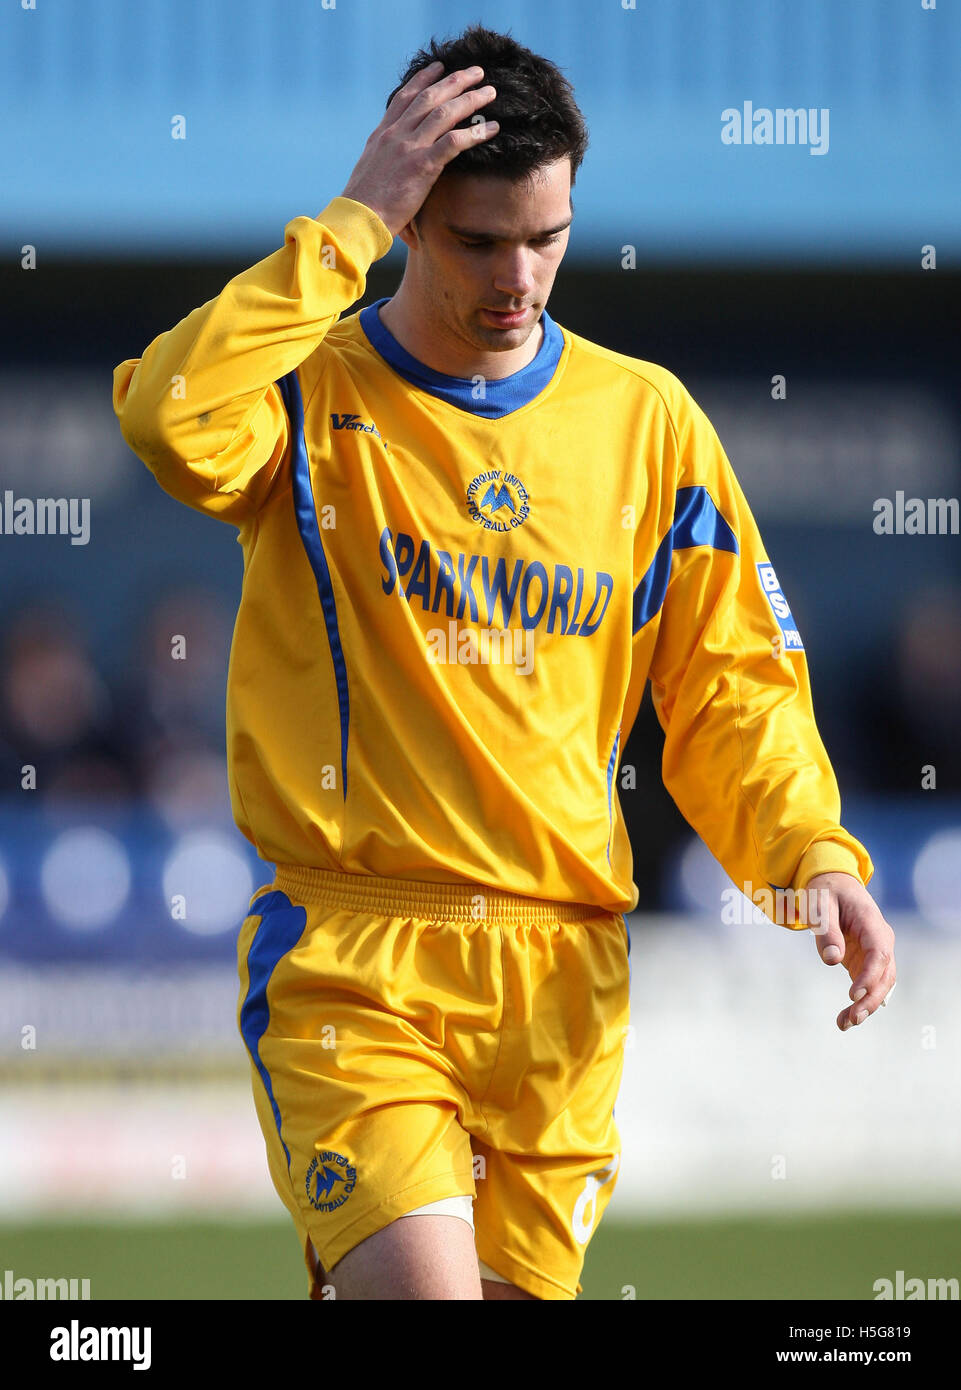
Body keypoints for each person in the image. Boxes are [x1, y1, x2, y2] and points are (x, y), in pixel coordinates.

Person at [112, 24, 896, 1302]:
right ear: (413, 222)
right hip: (354, 955)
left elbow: (729, 683)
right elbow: (167, 418)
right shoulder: (312, 392)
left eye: (548, 237)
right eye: (479, 240)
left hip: (561, 974)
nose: (519, 276)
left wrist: (811, 851)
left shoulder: (647, 423)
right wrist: (346, 223)